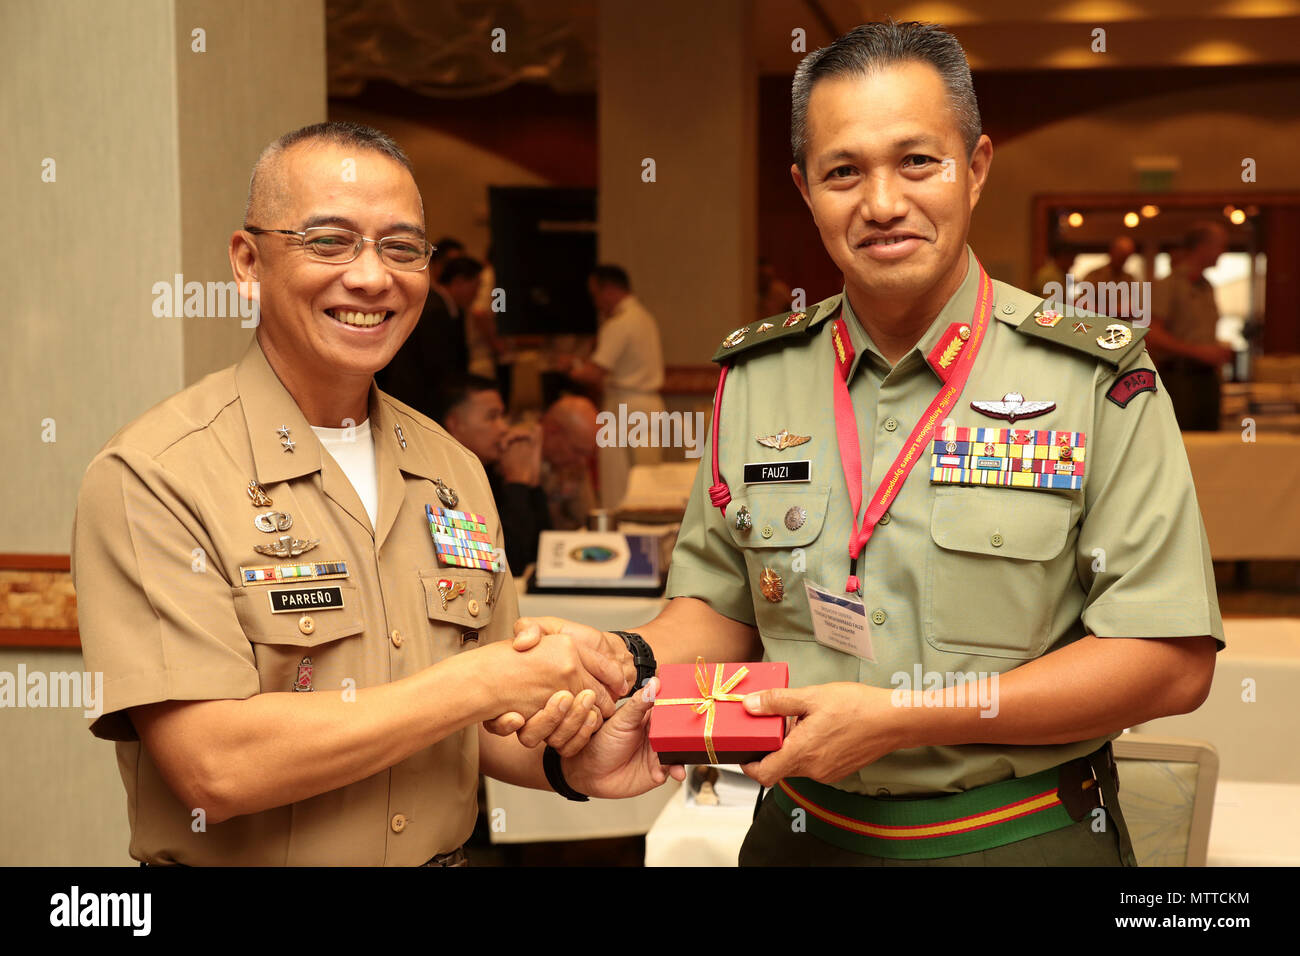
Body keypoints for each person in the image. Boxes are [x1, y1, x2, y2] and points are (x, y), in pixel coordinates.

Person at [508, 21, 1222, 866]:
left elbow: (1171, 663)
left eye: (917, 161)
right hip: (801, 838)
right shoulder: (760, 376)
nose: (882, 203)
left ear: (977, 168)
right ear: (806, 191)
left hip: (1016, 836)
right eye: (843, 171)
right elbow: (721, 609)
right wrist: (624, 655)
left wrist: (904, 716)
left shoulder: (1094, 379)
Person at [70, 121, 677, 866]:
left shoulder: (452, 470)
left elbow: (480, 726)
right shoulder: (157, 477)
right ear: (247, 262)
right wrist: (480, 679)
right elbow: (213, 767)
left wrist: (570, 763)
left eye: (401, 248)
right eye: (329, 241)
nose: (370, 277)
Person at [555, 264, 666, 510]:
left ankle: (621, 535)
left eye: (595, 295)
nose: (596, 303)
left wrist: (569, 366)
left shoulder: (620, 323)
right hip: (650, 404)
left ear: (608, 291)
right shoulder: (644, 317)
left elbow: (594, 372)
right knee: (646, 479)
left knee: (618, 483)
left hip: (624, 406)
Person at [435, 374, 551, 575]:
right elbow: (505, 562)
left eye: (502, 416)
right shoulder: (439, 482)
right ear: (455, 424)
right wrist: (517, 483)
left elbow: (543, 554)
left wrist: (532, 480)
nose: (503, 427)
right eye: (491, 417)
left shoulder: (487, 472)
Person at [1145, 223, 1235, 431]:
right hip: (1180, 379)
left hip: (1207, 379)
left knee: (1212, 448)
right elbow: (1152, 334)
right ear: (1202, 247)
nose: (1223, 252)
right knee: (1185, 446)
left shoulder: (1207, 286)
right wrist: (1198, 352)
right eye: (1220, 246)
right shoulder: (1169, 285)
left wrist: (1215, 351)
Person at [375, 254, 482, 416]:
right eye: (476, 286)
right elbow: (437, 365)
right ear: (459, 282)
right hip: (416, 397)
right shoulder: (434, 309)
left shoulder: (448, 307)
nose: (477, 294)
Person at [541, 394, 600, 530]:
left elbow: (587, 519)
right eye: (577, 451)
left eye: (588, 454)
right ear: (553, 432)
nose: (582, 460)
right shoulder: (516, 456)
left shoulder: (574, 463)